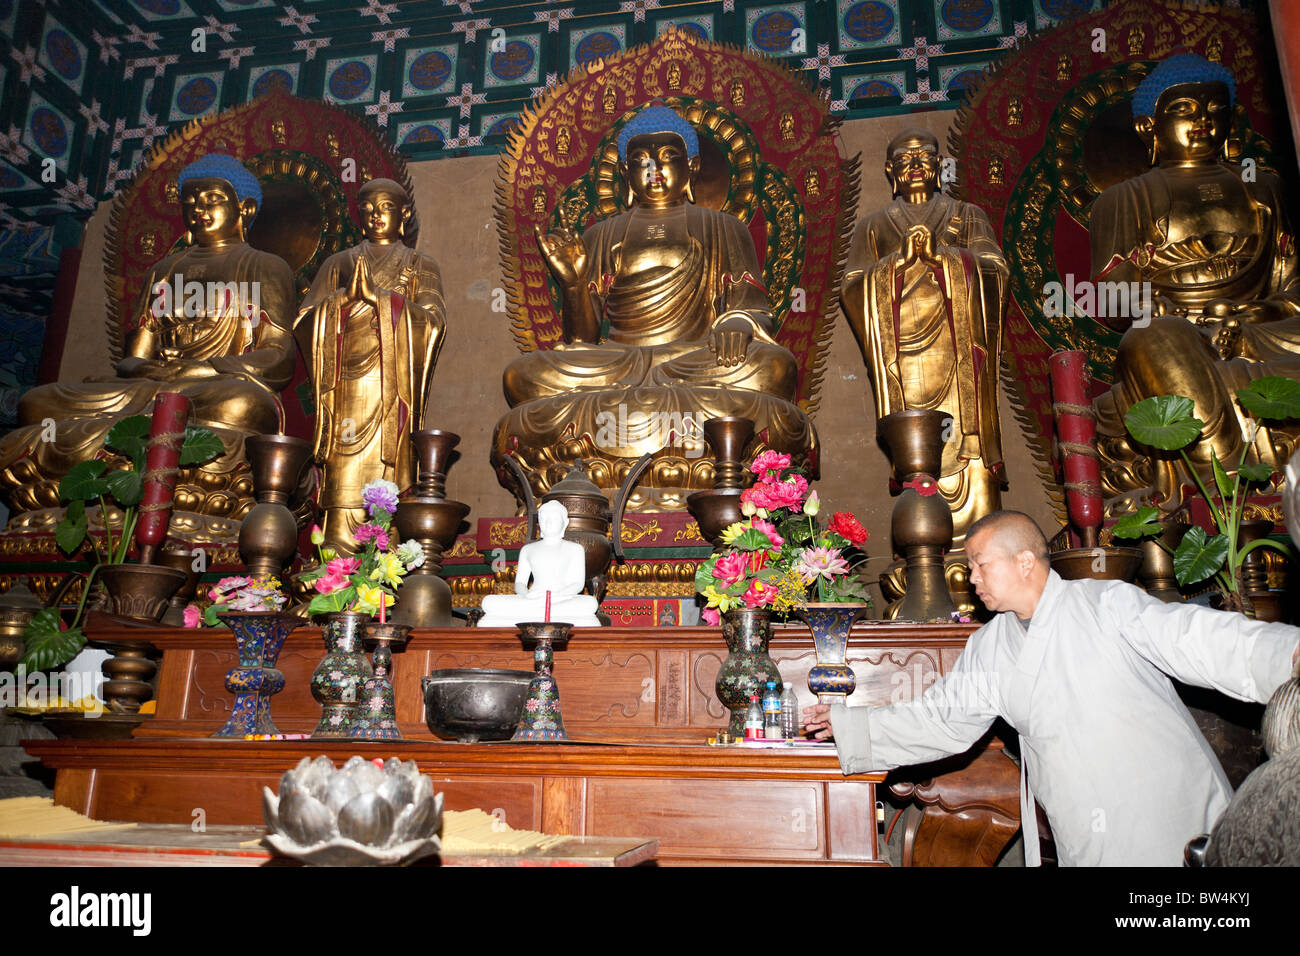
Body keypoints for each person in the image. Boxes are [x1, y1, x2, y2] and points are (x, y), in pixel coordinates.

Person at [802, 510, 1300, 866]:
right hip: (1085, 821)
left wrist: (1288, 656)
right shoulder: (990, 645)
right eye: (970, 567)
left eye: (980, 564)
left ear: (1024, 562)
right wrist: (850, 725)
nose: (971, 578)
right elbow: (942, 720)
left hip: (1160, 807)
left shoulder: (1105, 604)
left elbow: (1197, 638)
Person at [0, 152, 296, 526]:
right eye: (190, 202)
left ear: (245, 208)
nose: (198, 210)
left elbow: (278, 357)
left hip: (210, 390)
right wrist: (150, 368)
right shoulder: (164, 269)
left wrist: (206, 370)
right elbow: (131, 359)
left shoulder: (266, 267)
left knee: (242, 405)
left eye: (212, 200)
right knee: (37, 404)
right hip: (148, 389)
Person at [1090, 54, 1300, 511]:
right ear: (1149, 128)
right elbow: (1108, 294)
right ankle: (1220, 485)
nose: (1203, 120)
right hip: (1178, 333)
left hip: (1263, 332)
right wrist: (1154, 306)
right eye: (1185, 109)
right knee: (1152, 338)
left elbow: (1292, 283)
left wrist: (1254, 316)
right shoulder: (1121, 200)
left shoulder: (1264, 189)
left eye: (1215, 109)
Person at [840, 128, 1009, 542]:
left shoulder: (967, 216)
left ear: (939, 166)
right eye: (904, 159)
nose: (915, 165)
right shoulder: (874, 226)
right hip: (905, 364)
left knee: (967, 450)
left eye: (925, 157)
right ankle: (921, 555)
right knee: (916, 453)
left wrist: (946, 258)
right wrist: (897, 266)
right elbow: (852, 284)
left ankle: (979, 548)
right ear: (890, 171)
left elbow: (997, 271)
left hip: (960, 356)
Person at [294, 178, 446, 554]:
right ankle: (334, 554)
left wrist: (380, 300)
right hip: (342, 385)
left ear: (404, 214)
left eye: (386, 208)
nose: (376, 216)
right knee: (342, 465)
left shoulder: (418, 264)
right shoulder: (339, 263)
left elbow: (434, 322)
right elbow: (303, 321)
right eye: (368, 209)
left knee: (387, 467)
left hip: (391, 386)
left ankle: (383, 552)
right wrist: (342, 301)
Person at [477, 500, 600, 627]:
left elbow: (578, 584)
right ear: (539, 523)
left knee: (589, 604)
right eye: (544, 519)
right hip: (533, 598)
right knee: (489, 602)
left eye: (554, 519)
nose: (549, 523)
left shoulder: (575, 549)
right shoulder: (528, 549)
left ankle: (535, 614)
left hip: (561, 599)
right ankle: (538, 612)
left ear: (565, 523)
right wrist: (526, 595)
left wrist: (556, 595)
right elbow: (519, 583)